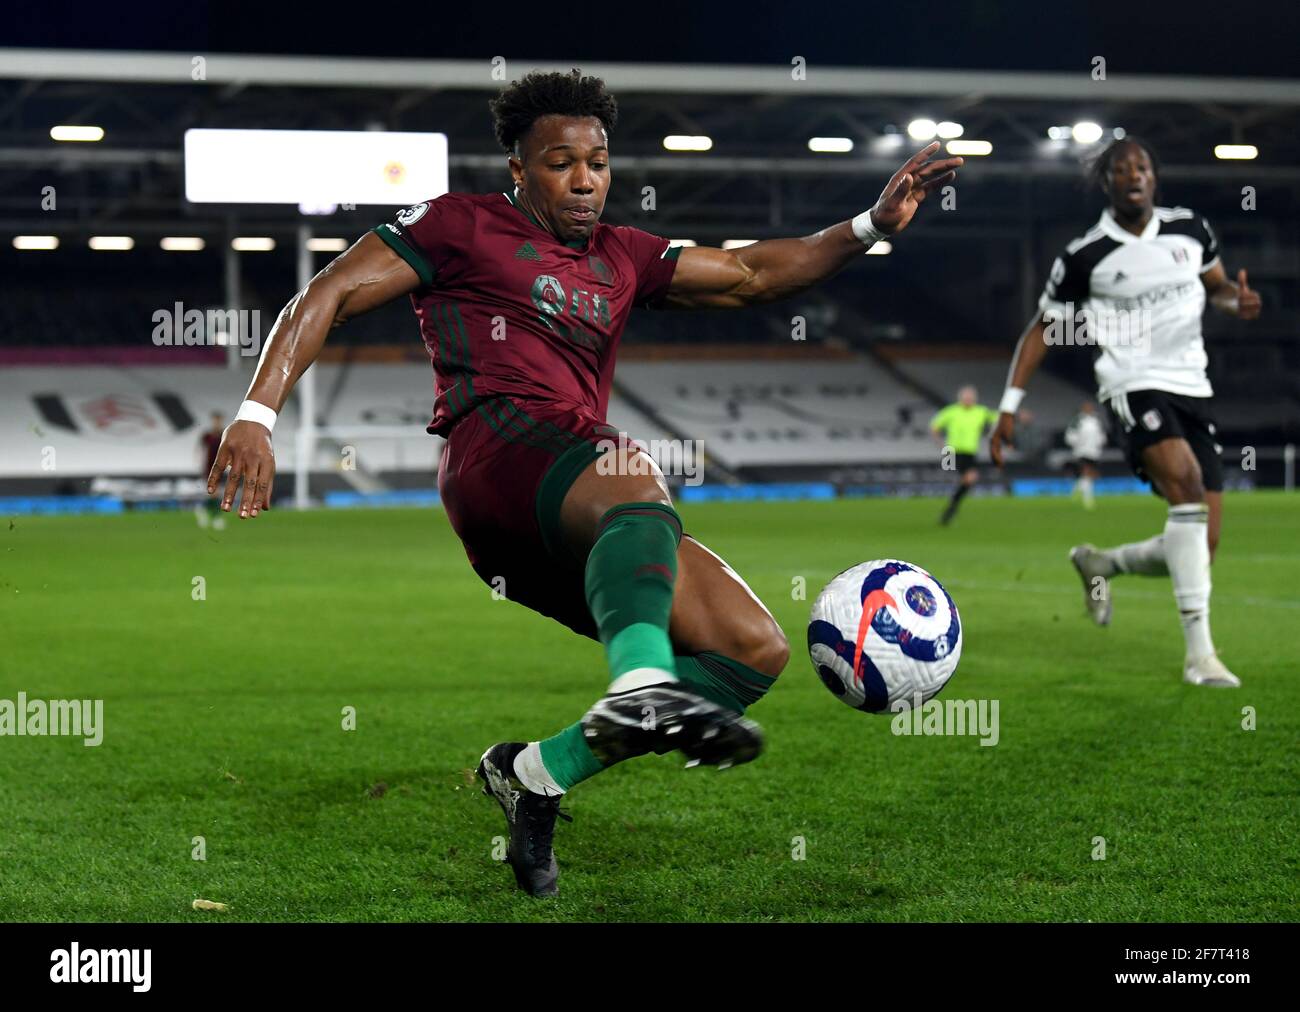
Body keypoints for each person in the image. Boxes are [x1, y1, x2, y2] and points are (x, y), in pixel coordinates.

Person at [206, 69, 960, 897]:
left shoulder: (623, 255)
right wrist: (257, 413)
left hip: (568, 515)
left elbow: (751, 274)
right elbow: (333, 289)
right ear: (519, 172)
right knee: (632, 475)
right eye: (560, 162)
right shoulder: (461, 224)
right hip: (495, 455)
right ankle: (639, 686)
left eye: (597, 162)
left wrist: (868, 225)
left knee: (750, 649)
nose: (584, 179)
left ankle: (534, 772)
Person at [991, 138, 1260, 687]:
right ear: (1106, 183)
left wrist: (1239, 301)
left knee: (1200, 546)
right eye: (1121, 169)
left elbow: (1220, 290)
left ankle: (1101, 564)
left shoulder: (1191, 230)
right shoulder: (1084, 255)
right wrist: (1009, 406)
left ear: (1154, 177)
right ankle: (1200, 656)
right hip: (1131, 385)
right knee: (1185, 487)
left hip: (1193, 386)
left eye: (1142, 166)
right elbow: (1042, 330)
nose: (1133, 175)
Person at [930, 386, 998, 525]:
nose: (968, 400)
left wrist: (992, 430)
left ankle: (951, 508)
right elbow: (934, 426)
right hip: (951, 450)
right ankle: (951, 507)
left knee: (969, 479)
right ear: (960, 398)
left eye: (971, 397)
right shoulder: (951, 411)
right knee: (966, 477)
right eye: (966, 397)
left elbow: (997, 418)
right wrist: (941, 444)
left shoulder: (980, 411)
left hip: (970, 451)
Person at [1063, 401, 1106, 509]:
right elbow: (1070, 435)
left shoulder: (1096, 420)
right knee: (1087, 473)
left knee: (1088, 475)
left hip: (1095, 451)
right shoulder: (1077, 420)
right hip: (1081, 451)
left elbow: (1101, 434)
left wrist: (1100, 442)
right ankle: (1088, 500)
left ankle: (1076, 492)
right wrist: (1078, 442)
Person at [197, 413, 226, 530]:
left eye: (219, 420)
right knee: (215, 494)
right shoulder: (207, 436)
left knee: (215, 494)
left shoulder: (225, 434)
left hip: (222, 467)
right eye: (215, 420)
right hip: (210, 468)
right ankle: (216, 519)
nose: (217, 423)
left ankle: (203, 511)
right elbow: (201, 451)